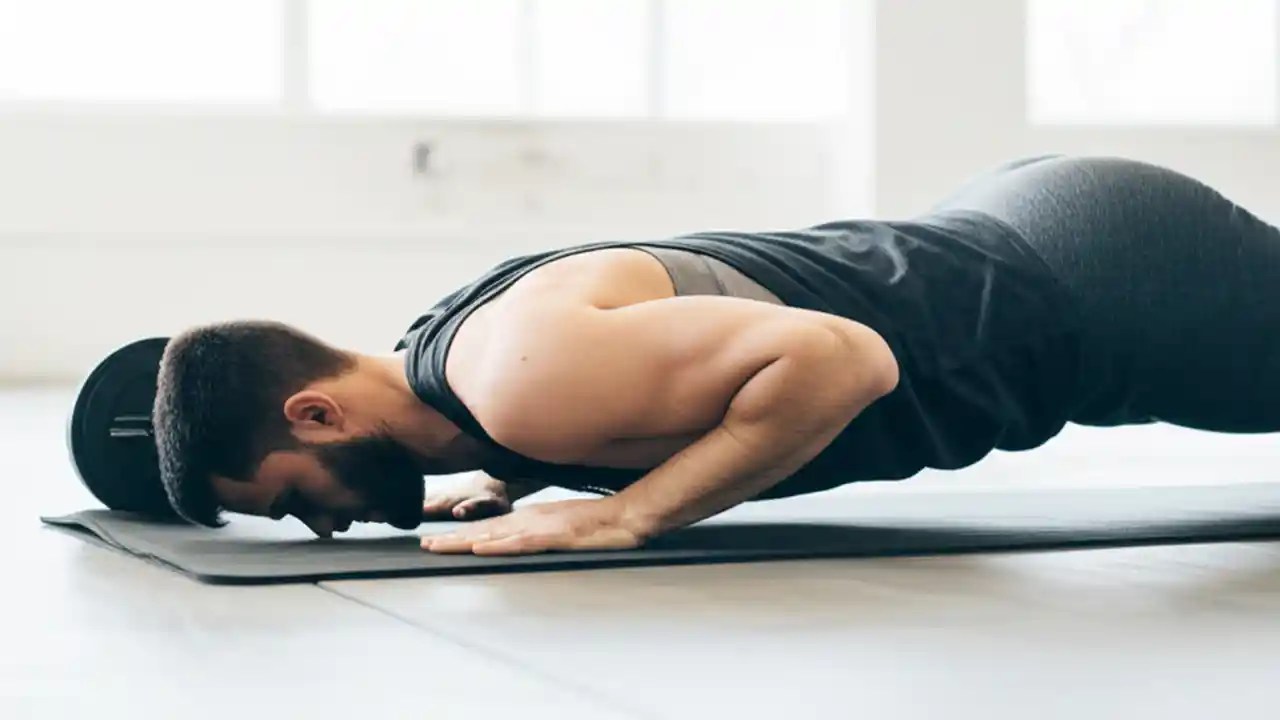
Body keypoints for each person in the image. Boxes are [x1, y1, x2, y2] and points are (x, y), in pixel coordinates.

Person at [152, 155, 1280, 556]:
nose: (321, 528)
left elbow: (844, 362)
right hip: (1037, 238)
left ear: (316, 415)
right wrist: (511, 479)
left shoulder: (521, 383)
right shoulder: (462, 368)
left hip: (1101, 288)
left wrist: (630, 515)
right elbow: (618, 383)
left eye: (295, 500)